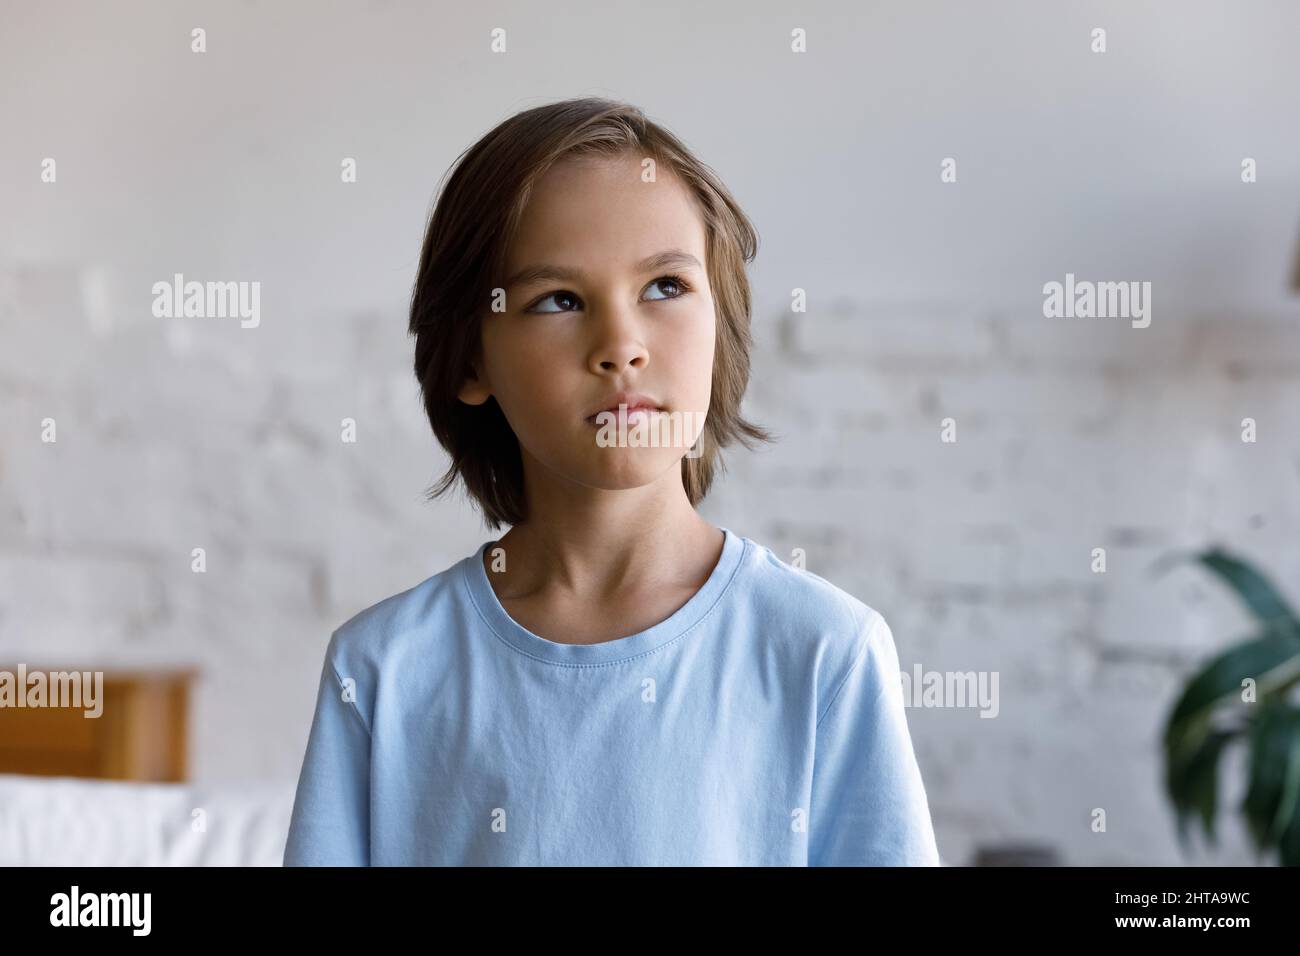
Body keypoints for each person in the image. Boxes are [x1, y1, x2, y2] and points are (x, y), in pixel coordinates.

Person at [283, 97, 940, 866]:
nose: (621, 346)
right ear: (470, 361)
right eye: (558, 300)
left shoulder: (825, 653)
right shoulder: (384, 670)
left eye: (664, 287)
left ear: (720, 322)